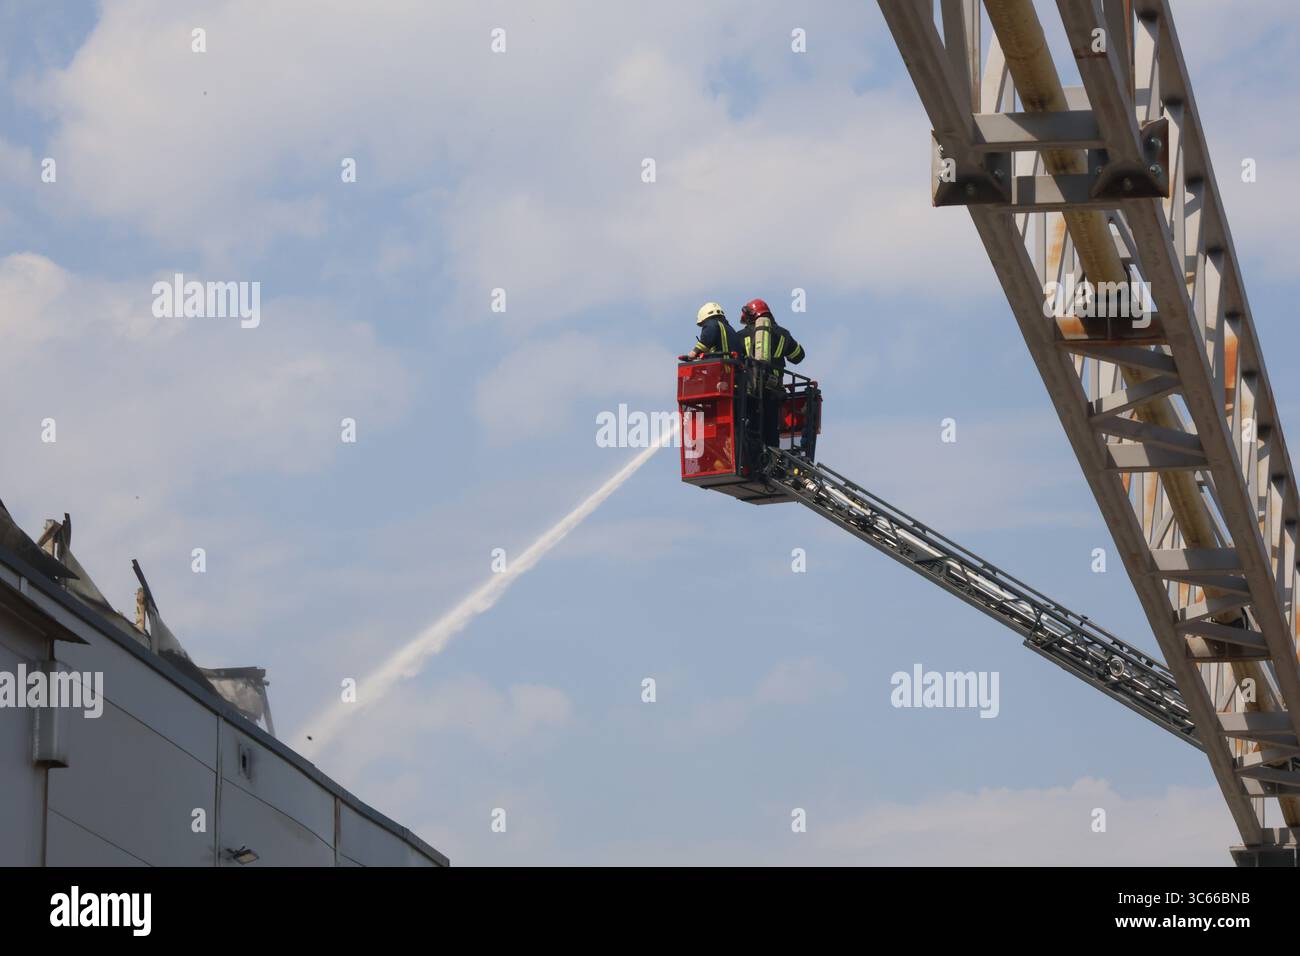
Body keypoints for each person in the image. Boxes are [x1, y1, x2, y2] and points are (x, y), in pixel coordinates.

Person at [738, 298, 805, 370]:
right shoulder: (783, 333)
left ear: (749, 317)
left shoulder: (741, 335)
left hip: (750, 379)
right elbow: (798, 357)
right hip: (777, 379)